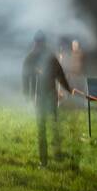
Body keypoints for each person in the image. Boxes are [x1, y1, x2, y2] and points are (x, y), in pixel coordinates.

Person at [22, 30, 72, 165]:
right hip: (41, 96)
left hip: (49, 96)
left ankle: (55, 155)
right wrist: (28, 93)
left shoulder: (45, 57)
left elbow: (60, 75)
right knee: (45, 127)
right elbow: (26, 77)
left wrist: (68, 89)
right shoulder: (35, 58)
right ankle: (46, 159)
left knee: (50, 126)